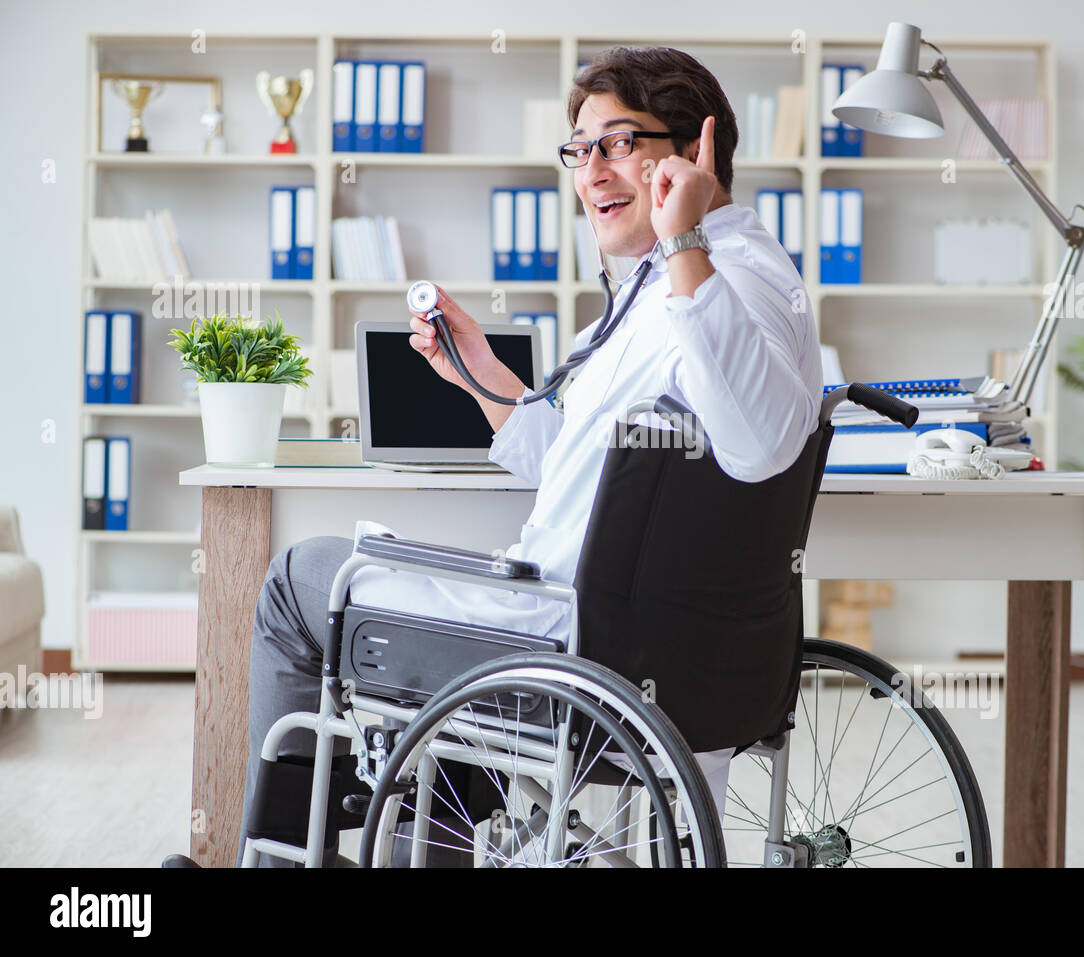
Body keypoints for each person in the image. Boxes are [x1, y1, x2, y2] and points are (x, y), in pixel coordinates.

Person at [223, 45, 821, 867]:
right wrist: (482, 374)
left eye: (619, 143)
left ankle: (284, 857)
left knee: (298, 581)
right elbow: (588, 472)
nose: (592, 173)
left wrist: (683, 239)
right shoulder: (673, 284)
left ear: (696, 147)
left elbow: (760, 442)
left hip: (573, 649)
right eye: (580, 150)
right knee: (432, 673)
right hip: (627, 647)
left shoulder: (718, 276)